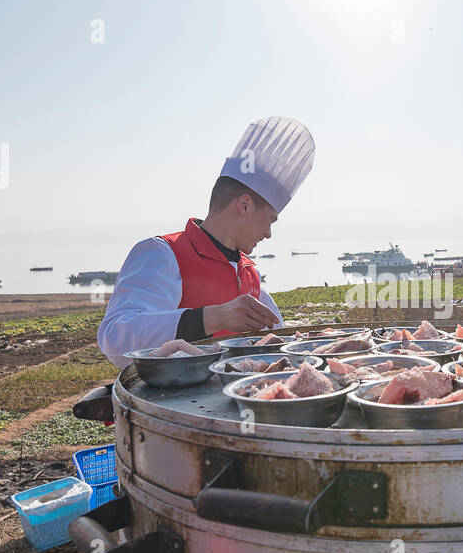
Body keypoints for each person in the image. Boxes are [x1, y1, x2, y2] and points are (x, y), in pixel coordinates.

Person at [97, 116, 315, 367]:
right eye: (270, 220)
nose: (268, 234)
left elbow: (277, 341)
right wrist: (210, 318)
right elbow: (114, 339)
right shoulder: (163, 253)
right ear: (244, 205)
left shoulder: (249, 273)